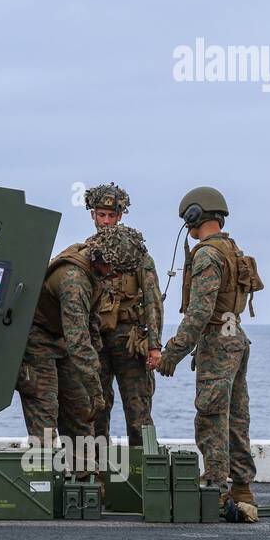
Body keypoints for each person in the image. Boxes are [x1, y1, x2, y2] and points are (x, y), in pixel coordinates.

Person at [155, 187, 264, 521]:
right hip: (236, 336)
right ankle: (243, 489)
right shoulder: (231, 248)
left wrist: (171, 353)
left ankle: (216, 489)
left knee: (211, 417)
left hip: (218, 340)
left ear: (194, 215)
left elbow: (199, 313)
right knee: (236, 417)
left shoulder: (207, 255)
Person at [16, 224, 146, 474]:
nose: (117, 277)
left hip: (63, 338)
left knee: (80, 409)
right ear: (103, 258)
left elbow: (92, 324)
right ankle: (44, 481)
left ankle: (84, 477)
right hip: (38, 338)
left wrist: (92, 382)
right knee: (45, 409)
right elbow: (78, 340)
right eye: (116, 271)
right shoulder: (73, 280)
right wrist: (96, 387)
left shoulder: (97, 273)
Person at [83, 183, 163, 446]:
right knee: (95, 409)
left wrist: (154, 346)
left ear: (120, 216)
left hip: (129, 340)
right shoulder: (85, 253)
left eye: (112, 215)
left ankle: (148, 474)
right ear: (93, 215)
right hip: (96, 341)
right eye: (101, 215)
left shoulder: (137, 253)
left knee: (139, 411)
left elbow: (152, 299)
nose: (106, 221)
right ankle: (96, 476)